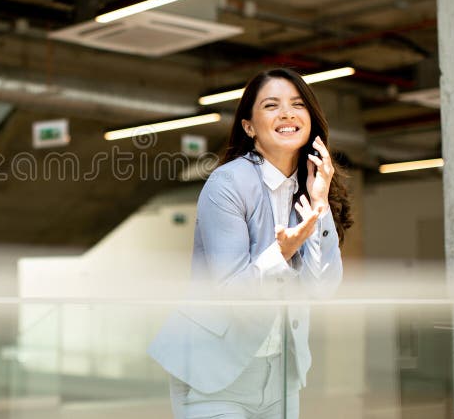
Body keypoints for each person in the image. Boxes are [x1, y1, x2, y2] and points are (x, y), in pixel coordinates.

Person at [148, 67, 353, 419]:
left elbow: (322, 288)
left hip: (281, 376)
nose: (287, 113)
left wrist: (320, 205)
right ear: (249, 126)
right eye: (272, 105)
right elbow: (231, 293)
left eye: (297, 105)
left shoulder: (309, 186)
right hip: (213, 374)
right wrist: (283, 252)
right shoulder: (227, 184)